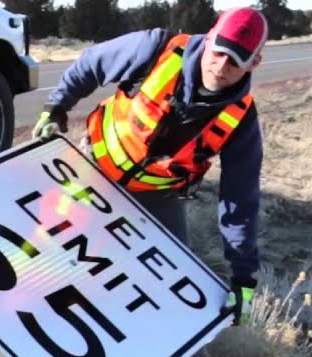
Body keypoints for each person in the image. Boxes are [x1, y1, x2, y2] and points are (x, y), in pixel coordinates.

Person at [33, 8, 268, 332]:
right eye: (218, 52)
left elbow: (239, 201)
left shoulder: (241, 119)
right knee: (47, 246)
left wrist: (244, 276)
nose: (221, 66)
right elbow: (91, 64)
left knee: (170, 285)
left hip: (157, 197)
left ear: (254, 63)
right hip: (93, 170)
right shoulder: (156, 48)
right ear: (210, 36)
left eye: (235, 61)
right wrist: (56, 106)